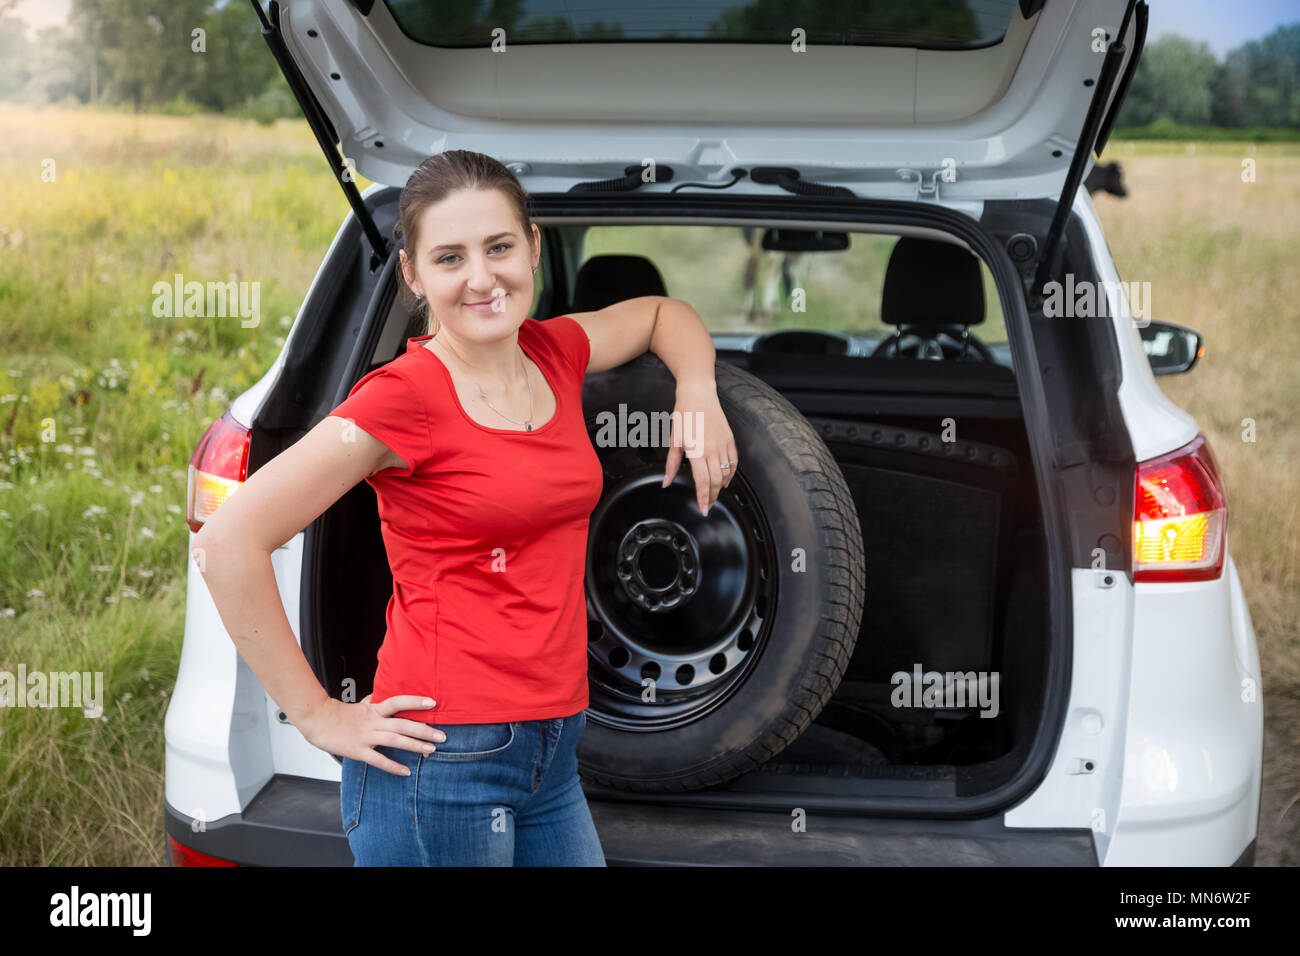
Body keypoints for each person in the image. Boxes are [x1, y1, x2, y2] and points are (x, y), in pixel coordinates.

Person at [191, 149, 739, 865]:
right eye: (450, 258)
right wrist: (318, 715)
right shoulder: (403, 397)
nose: (482, 278)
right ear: (414, 275)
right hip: (438, 764)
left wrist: (696, 389)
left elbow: (665, 314)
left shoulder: (553, 352)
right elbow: (228, 542)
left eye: (499, 247)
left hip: (552, 749)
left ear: (534, 248)